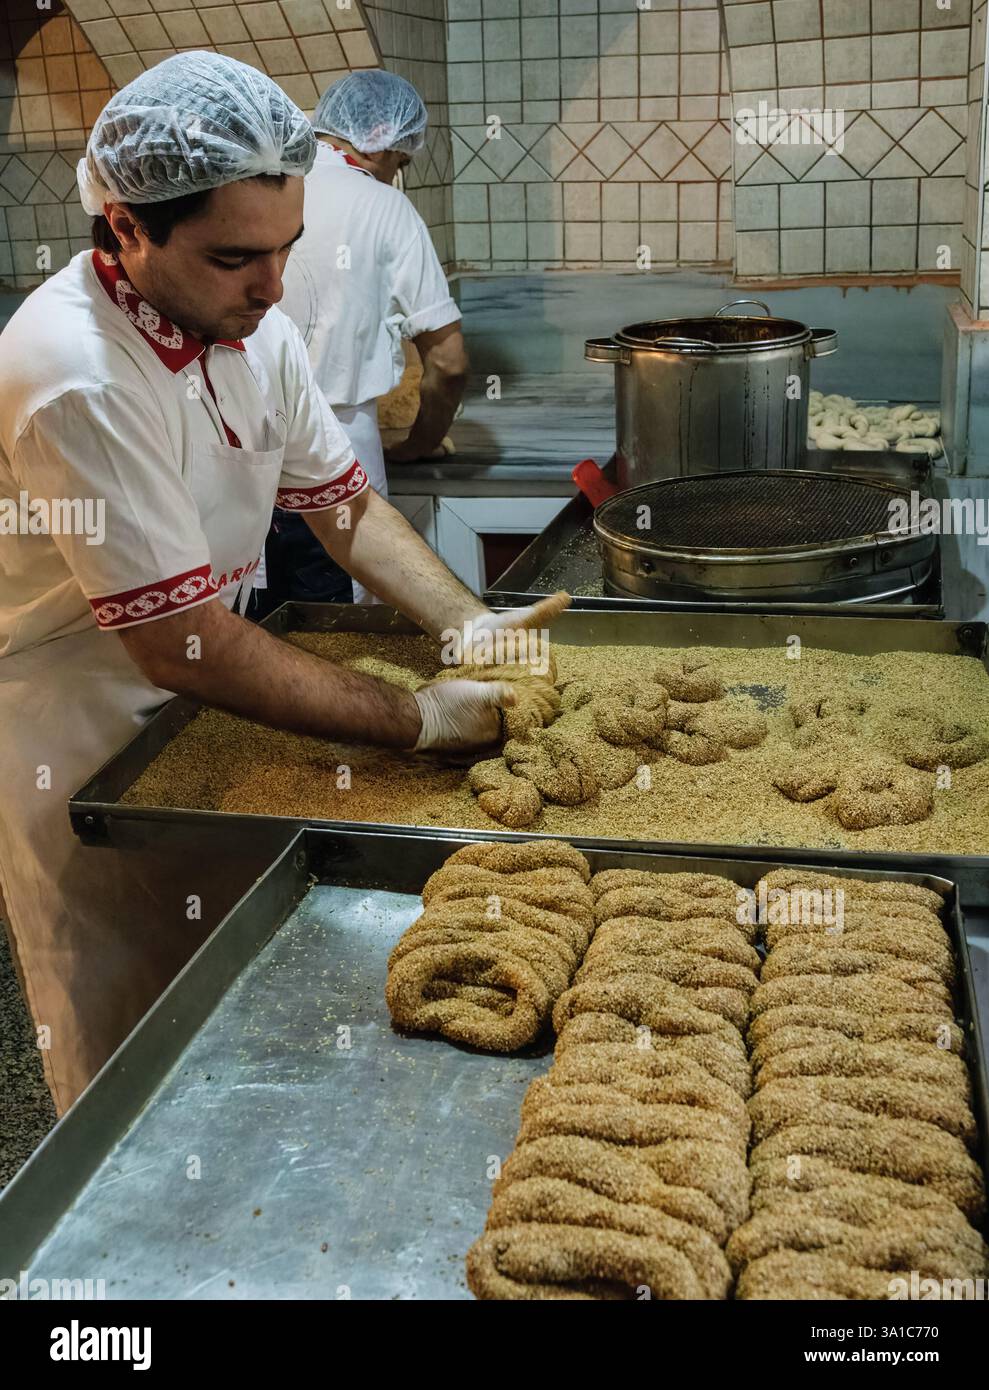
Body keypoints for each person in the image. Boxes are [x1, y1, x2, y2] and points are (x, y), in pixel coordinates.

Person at [0, 51, 566, 1116]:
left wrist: (466, 623)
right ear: (125, 225)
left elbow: (341, 511)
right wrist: (417, 719)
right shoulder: (77, 375)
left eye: (286, 248)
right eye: (234, 257)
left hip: (210, 705)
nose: (272, 284)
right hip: (82, 733)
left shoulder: (251, 326)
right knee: (132, 1037)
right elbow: (178, 642)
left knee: (240, 1014)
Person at [260, 69, 467, 611]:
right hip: (339, 451)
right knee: (345, 630)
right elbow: (448, 362)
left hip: (246, 456)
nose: (396, 173)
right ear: (386, 145)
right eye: (401, 161)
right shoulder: (385, 207)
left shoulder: (265, 186)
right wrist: (419, 444)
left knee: (264, 631)